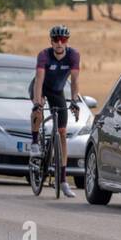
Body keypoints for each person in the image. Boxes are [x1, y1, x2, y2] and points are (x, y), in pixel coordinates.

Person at [30, 24, 81, 198]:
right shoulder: (44, 55)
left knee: (62, 132)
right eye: (56, 40)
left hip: (57, 91)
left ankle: (63, 181)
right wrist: (38, 102)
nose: (59, 43)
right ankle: (36, 142)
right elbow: (39, 80)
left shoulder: (73, 55)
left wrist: (74, 100)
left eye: (63, 40)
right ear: (51, 41)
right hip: (41, 88)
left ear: (67, 41)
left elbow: (74, 81)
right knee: (38, 108)